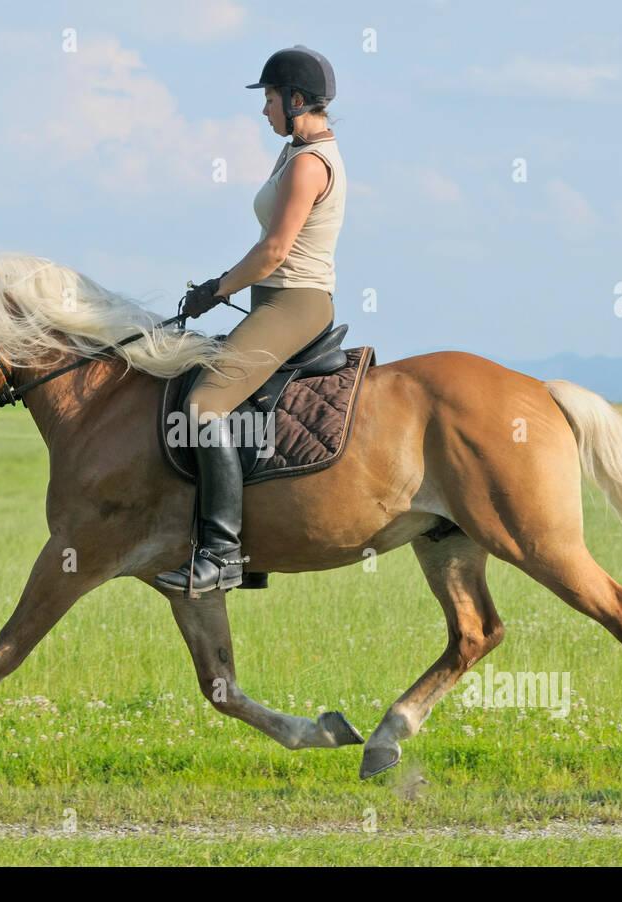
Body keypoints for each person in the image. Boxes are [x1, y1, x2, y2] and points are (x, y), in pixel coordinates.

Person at [155, 45, 347, 596]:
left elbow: (273, 251)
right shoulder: (295, 151)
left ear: (295, 99)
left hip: (294, 302)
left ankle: (220, 553)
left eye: (268, 98)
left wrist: (215, 291)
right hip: (274, 300)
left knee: (202, 406)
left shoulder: (310, 163)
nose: (263, 109)